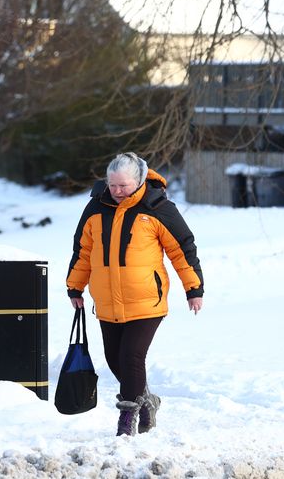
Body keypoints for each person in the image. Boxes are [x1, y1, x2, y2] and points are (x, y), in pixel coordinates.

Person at [66, 152, 204, 436]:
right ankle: (148, 400)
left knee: (131, 356)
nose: (117, 191)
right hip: (107, 301)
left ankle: (126, 421)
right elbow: (83, 250)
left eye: (123, 186)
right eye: (112, 185)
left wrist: (193, 288)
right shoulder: (96, 207)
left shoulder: (157, 207)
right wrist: (75, 286)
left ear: (139, 181)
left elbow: (182, 249)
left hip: (146, 301)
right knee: (115, 360)